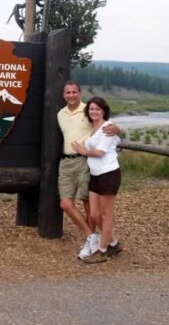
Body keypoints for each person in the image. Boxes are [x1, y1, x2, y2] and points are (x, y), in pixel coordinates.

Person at [57, 81, 119, 260]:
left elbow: (107, 127)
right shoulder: (60, 114)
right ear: (63, 94)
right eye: (67, 92)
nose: (71, 95)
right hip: (66, 162)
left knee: (88, 205)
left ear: (80, 93)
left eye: (74, 92)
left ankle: (96, 246)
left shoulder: (88, 110)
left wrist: (118, 128)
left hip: (85, 162)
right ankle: (94, 238)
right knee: (65, 204)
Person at [71, 97, 122, 264]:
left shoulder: (108, 127)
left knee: (106, 215)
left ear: (103, 111)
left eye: (97, 109)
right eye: (91, 109)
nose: (94, 112)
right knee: (93, 214)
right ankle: (113, 243)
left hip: (108, 173)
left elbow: (100, 152)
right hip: (95, 174)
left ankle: (102, 250)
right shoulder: (94, 128)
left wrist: (83, 150)